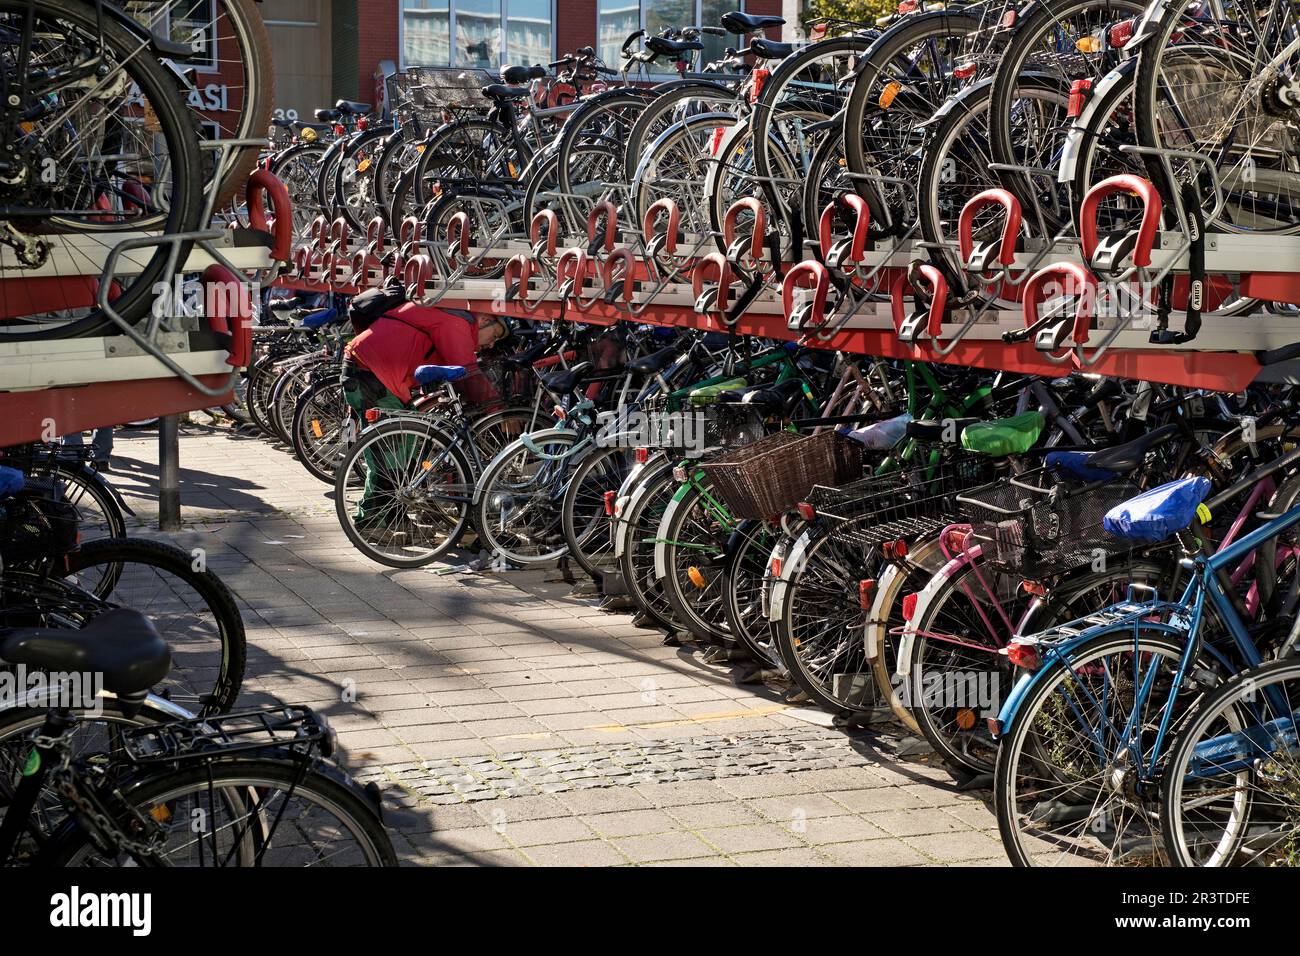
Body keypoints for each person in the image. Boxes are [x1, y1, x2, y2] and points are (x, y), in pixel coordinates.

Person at [340, 298, 503, 528]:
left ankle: (394, 519)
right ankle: (372, 523)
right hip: (373, 374)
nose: (492, 344)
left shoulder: (446, 311)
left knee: (400, 450)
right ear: (485, 319)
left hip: (372, 370)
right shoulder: (456, 322)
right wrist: (499, 410)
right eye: (494, 336)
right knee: (389, 457)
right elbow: (468, 372)